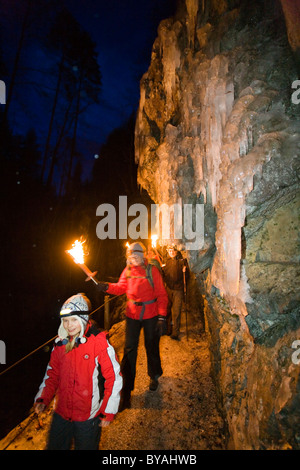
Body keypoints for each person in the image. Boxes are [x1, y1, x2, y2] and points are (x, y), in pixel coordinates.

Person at [34, 293, 122, 450]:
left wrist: (108, 410)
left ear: (83, 319)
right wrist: (43, 397)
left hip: (87, 418)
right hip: (60, 413)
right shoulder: (61, 343)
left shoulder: (98, 342)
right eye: (65, 321)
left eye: (74, 319)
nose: (69, 325)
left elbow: (113, 377)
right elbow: (52, 373)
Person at [96, 242, 168, 411]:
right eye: (130, 256)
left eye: (136, 256)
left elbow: (162, 295)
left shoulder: (152, 271)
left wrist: (162, 317)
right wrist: (106, 286)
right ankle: (126, 391)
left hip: (150, 315)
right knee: (129, 350)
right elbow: (121, 288)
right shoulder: (127, 270)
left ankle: (154, 375)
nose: (133, 259)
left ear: (143, 256)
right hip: (132, 315)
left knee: (151, 345)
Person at [162, 245, 189, 340]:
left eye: (173, 250)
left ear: (177, 251)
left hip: (178, 290)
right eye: (169, 250)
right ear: (167, 251)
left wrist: (185, 272)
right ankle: (168, 329)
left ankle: (175, 332)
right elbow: (164, 275)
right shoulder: (166, 261)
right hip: (169, 288)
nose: (171, 252)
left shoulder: (182, 261)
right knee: (167, 309)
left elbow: (187, 277)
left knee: (176, 311)